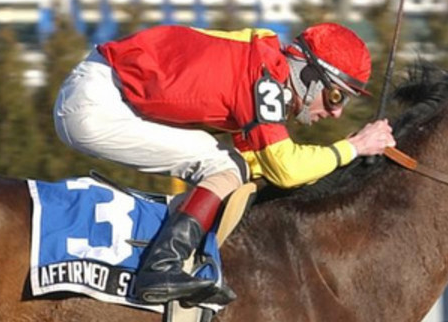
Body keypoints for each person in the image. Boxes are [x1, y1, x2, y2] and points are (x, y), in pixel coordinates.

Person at [53, 22, 396, 306]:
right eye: (335, 96)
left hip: (98, 90)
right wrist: (352, 148)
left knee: (235, 166)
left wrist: (343, 158)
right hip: (95, 104)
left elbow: (262, 167)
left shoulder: (263, 68)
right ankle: (160, 266)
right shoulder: (264, 82)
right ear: (308, 74)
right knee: (223, 166)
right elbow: (287, 169)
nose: (336, 111)